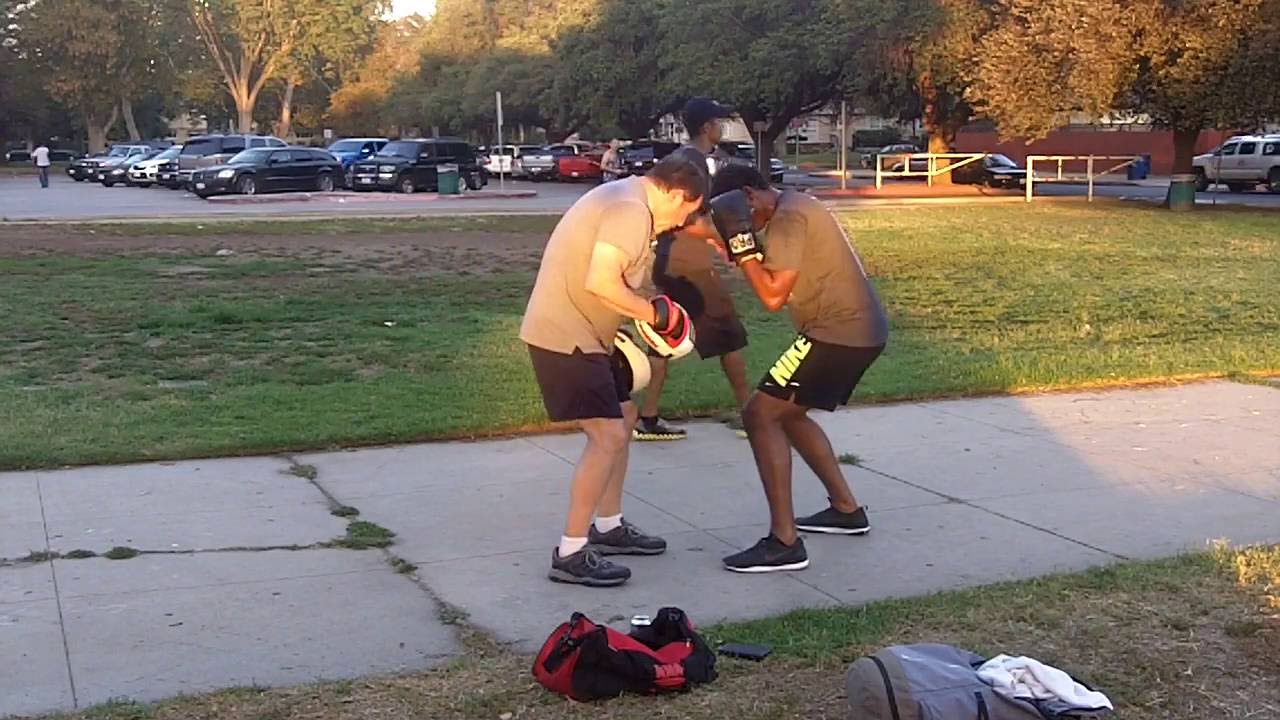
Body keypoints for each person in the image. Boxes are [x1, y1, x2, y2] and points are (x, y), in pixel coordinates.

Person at [519, 154, 709, 587]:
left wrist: (655, 311)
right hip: (565, 334)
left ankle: (609, 527)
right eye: (687, 211)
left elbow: (626, 284)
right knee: (607, 434)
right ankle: (570, 552)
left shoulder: (628, 200)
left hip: (587, 334)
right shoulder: (630, 209)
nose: (682, 222)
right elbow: (601, 283)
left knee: (622, 419)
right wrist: (656, 316)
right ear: (677, 194)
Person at [706, 163, 890, 574]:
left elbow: (772, 297)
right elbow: (768, 271)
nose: (743, 224)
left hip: (838, 332)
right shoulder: (793, 208)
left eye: (739, 214)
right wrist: (737, 247)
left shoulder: (789, 218)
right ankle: (846, 510)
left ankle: (784, 542)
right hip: (853, 329)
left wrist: (742, 246)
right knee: (788, 413)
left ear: (749, 196)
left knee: (760, 413)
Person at [635, 97, 753, 442]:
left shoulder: (680, 158)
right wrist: (728, 243)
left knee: (664, 339)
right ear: (707, 127)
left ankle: (649, 417)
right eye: (719, 121)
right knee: (729, 336)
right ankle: (751, 414)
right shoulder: (694, 162)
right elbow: (689, 217)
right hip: (690, 265)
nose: (722, 127)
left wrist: (714, 241)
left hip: (668, 262)